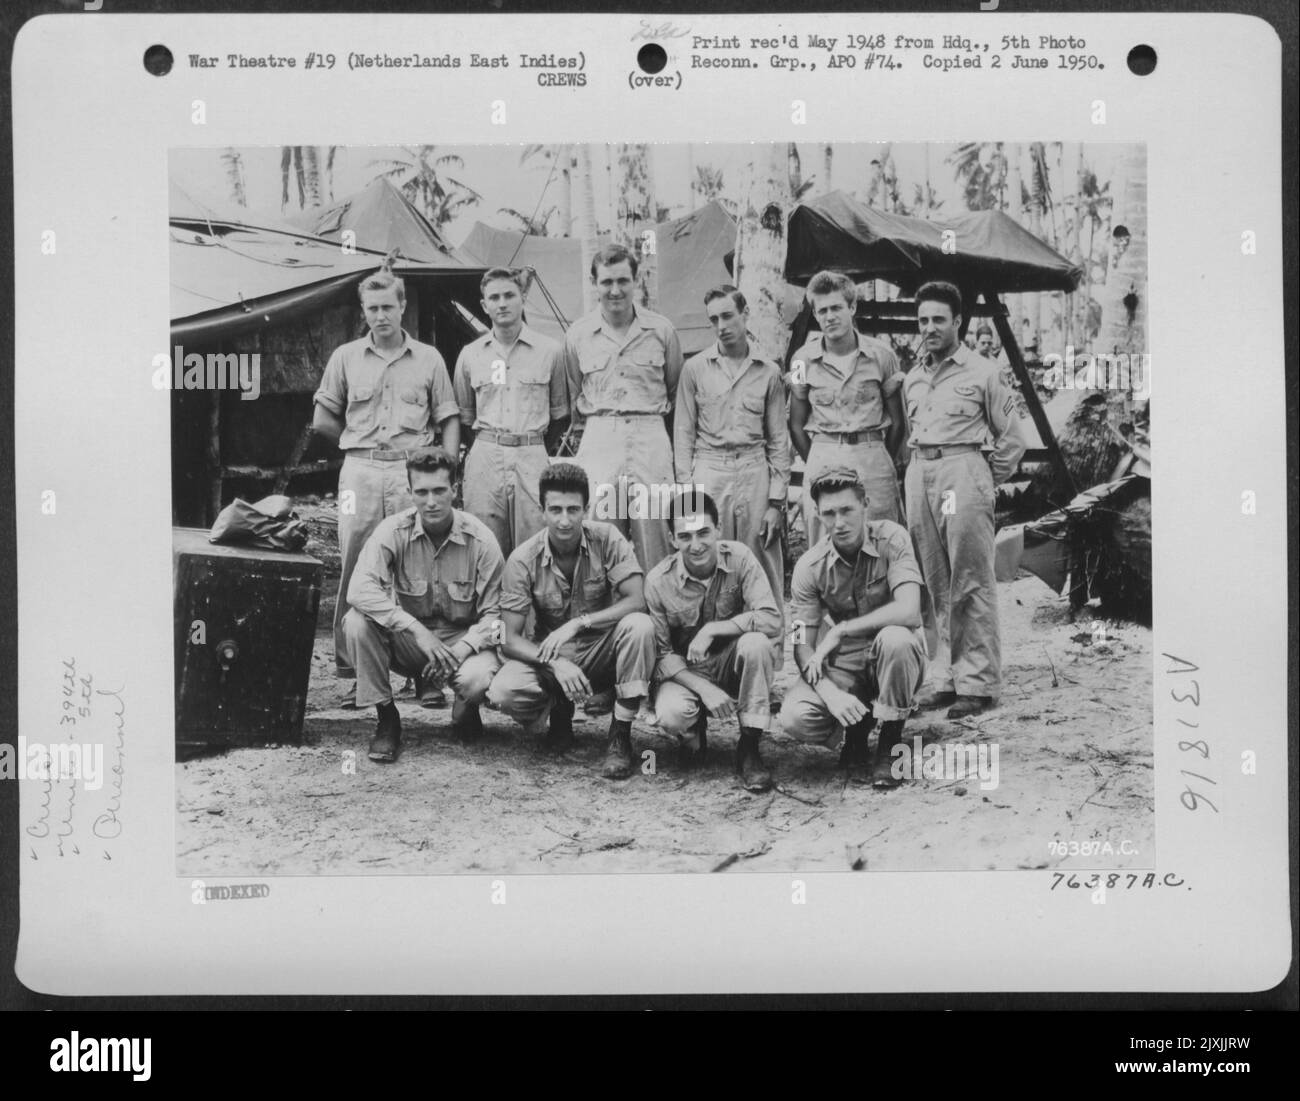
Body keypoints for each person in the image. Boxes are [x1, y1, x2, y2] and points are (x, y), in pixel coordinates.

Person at [313, 271, 461, 701]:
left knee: (415, 565)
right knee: (356, 562)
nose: (380, 316)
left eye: (388, 307)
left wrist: (444, 467)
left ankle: (422, 673)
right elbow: (324, 418)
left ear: (403, 308)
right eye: (372, 308)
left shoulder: (430, 358)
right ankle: (360, 671)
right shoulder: (345, 357)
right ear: (364, 312)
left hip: (410, 471)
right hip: (358, 470)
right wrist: (358, 440)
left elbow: (448, 417)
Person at [903, 281, 1028, 720]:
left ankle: (977, 682)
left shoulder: (984, 372)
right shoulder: (914, 376)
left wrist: (978, 481)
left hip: (962, 472)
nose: (930, 328)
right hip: (921, 474)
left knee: (970, 576)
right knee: (933, 579)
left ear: (958, 322)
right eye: (923, 320)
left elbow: (1013, 439)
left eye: (939, 319)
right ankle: (945, 677)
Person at [486, 462, 656, 781]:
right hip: (552, 654)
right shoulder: (523, 558)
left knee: (640, 626)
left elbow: (637, 600)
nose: (564, 520)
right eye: (556, 509)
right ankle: (558, 712)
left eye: (573, 509)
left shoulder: (607, 538)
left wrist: (580, 622)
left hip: (602, 648)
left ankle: (620, 734)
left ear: (586, 509)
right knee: (503, 690)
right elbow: (507, 637)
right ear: (542, 511)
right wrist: (554, 664)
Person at [342, 448, 504, 763]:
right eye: (422, 492)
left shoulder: (482, 541)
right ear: (410, 493)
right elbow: (358, 587)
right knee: (357, 622)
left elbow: (496, 617)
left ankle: (466, 705)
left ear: (455, 491)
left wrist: (464, 647)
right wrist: (414, 628)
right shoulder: (393, 530)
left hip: (462, 643)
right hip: (412, 642)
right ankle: (387, 717)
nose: (431, 501)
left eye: (440, 491)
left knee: (476, 680)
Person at [778, 468, 927, 788]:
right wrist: (829, 693)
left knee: (895, 640)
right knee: (795, 717)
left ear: (865, 505)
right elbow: (800, 642)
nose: (839, 522)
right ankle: (856, 731)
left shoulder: (893, 537)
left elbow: (910, 610)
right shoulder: (808, 566)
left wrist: (844, 627)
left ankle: (891, 742)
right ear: (817, 515)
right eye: (829, 513)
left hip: (897, 655)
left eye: (847, 510)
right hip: (848, 662)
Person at [673, 285, 790, 641]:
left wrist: (776, 501)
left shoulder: (768, 371)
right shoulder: (695, 369)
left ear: (744, 314)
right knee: (707, 554)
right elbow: (683, 432)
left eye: (727, 316)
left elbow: (778, 440)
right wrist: (686, 494)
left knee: (762, 556)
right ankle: (707, 643)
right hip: (710, 468)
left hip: (754, 468)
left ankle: (768, 651)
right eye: (714, 320)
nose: (721, 325)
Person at [645, 490, 782, 792]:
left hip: (731, 662)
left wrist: (716, 629)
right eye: (685, 536)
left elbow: (772, 619)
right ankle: (693, 732)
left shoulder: (741, 557)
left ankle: (749, 746)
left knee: (757, 644)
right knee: (671, 715)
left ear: (718, 530)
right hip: (686, 674)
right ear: (671, 539)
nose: (696, 545)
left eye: (704, 532)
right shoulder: (657, 581)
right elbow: (661, 655)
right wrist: (704, 690)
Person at [561, 243, 683, 574]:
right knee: (600, 533)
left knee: (655, 530)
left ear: (636, 280)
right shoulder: (578, 335)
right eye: (606, 282)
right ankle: (605, 618)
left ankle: (658, 617)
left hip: (650, 434)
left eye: (623, 281)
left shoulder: (661, 330)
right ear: (594, 283)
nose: (615, 291)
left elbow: (675, 390)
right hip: (601, 436)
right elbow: (575, 389)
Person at [453, 267, 569, 561]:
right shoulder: (470, 354)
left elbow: (560, 414)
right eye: (494, 297)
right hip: (486, 457)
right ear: (484, 305)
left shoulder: (550, 351)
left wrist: (532, 443)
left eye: (509, 295)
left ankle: (532, 607)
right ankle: (489, 608)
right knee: (484, 543)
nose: (502, 303)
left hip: (531, 454)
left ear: (522, 298)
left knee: (536, 544)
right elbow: (465, 416)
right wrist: (491, 443)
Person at [789, 270, 908, 544]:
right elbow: (795, 424)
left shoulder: (882, 355)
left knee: (881, 537)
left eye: (836, 308)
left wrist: (879, 455)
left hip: (872, 456)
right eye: (822, 311)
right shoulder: (801, 360)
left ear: (852, 307)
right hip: (824, 454)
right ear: (815, 314)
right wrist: (816, 459)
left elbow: (898, 421)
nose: (829, 316)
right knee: (825, 541)